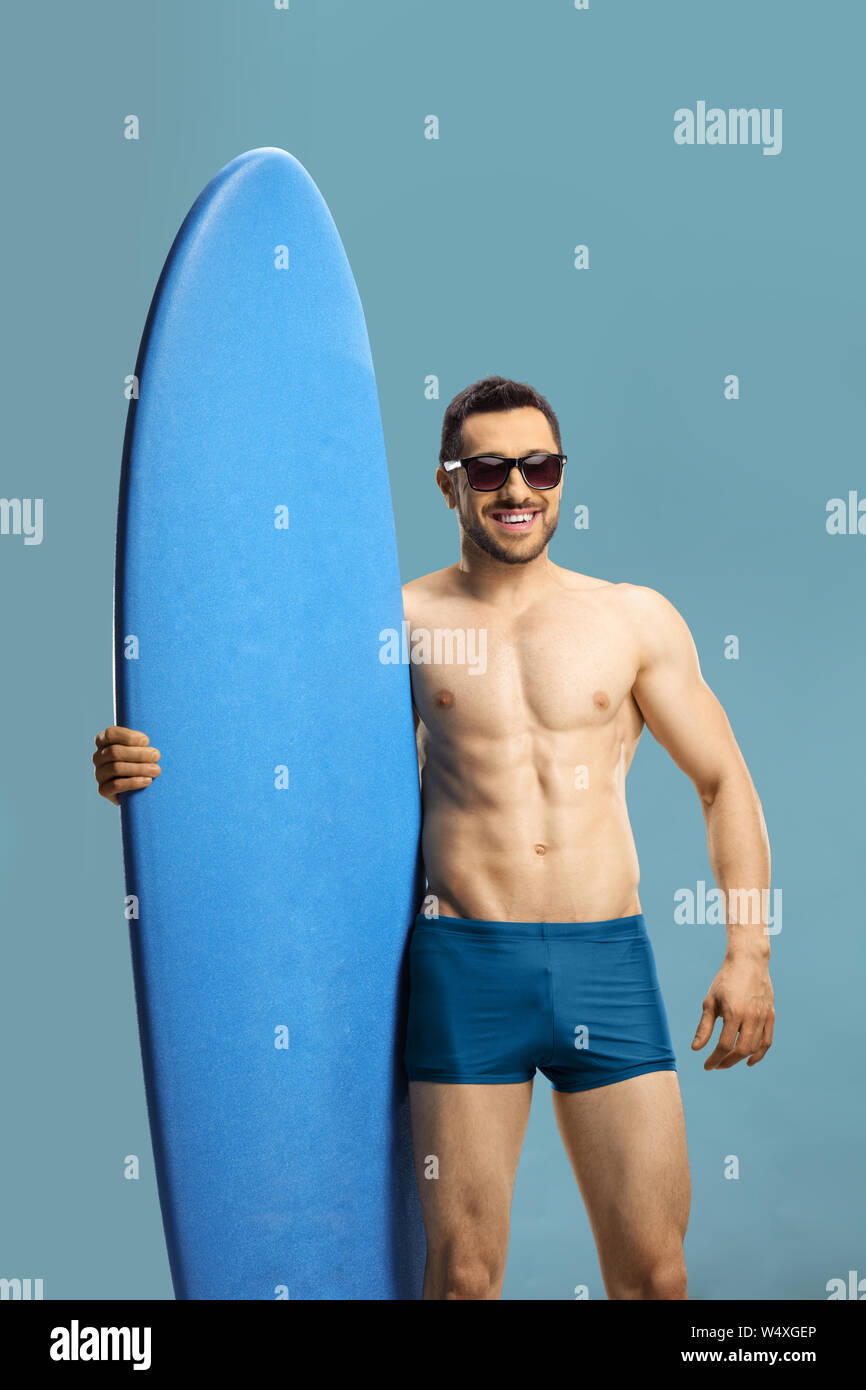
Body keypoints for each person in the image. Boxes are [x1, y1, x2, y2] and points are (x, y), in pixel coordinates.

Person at [94, 375, 774, 1301]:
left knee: (656, 1277)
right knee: (459, 1278)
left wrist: (749, 951)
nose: (517, 489)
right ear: (447, 483)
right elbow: (282, 751)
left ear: (562, 475)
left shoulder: (632, 619)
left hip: (605, 964)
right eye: (488, 469)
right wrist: (150, 762)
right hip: (465, 967)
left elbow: (723, 779)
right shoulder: (400, 623)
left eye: (539, 466)